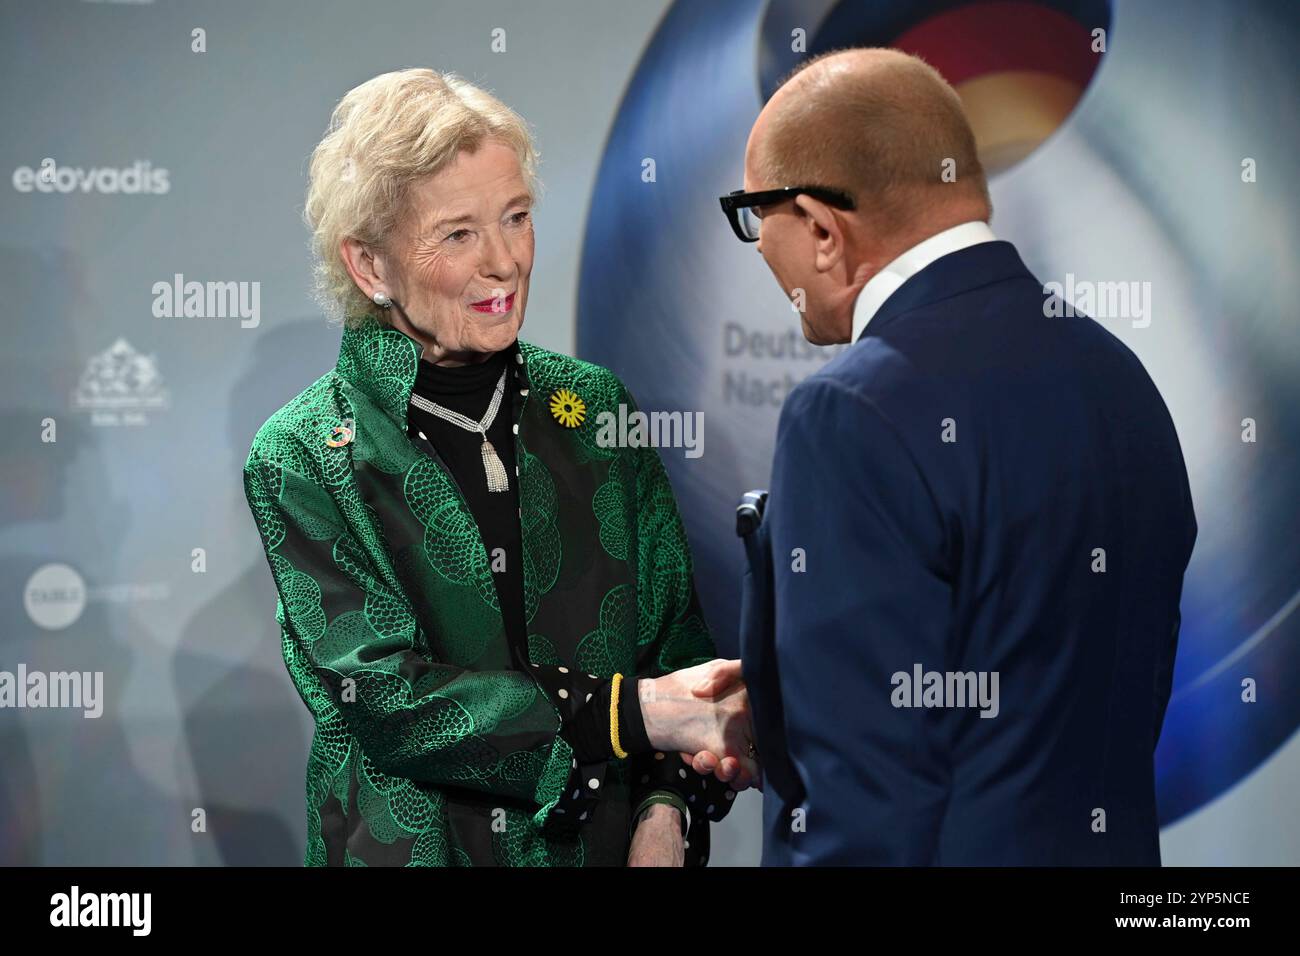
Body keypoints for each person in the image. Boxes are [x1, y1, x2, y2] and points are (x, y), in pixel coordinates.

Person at [242, 68, 753, 867]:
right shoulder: (302, 454)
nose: (505, 262)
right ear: (370, 266)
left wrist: (666, 811)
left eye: (516, 218)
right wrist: (634, 715)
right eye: (457, 234)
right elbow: (391, 702)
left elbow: (671, 648)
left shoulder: (593, 408)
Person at [704, 47, 1197, 864]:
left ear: (824, 230)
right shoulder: (1119, 374)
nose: (758, 247)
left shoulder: (848, 412)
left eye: (759, 215)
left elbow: (865, 808)